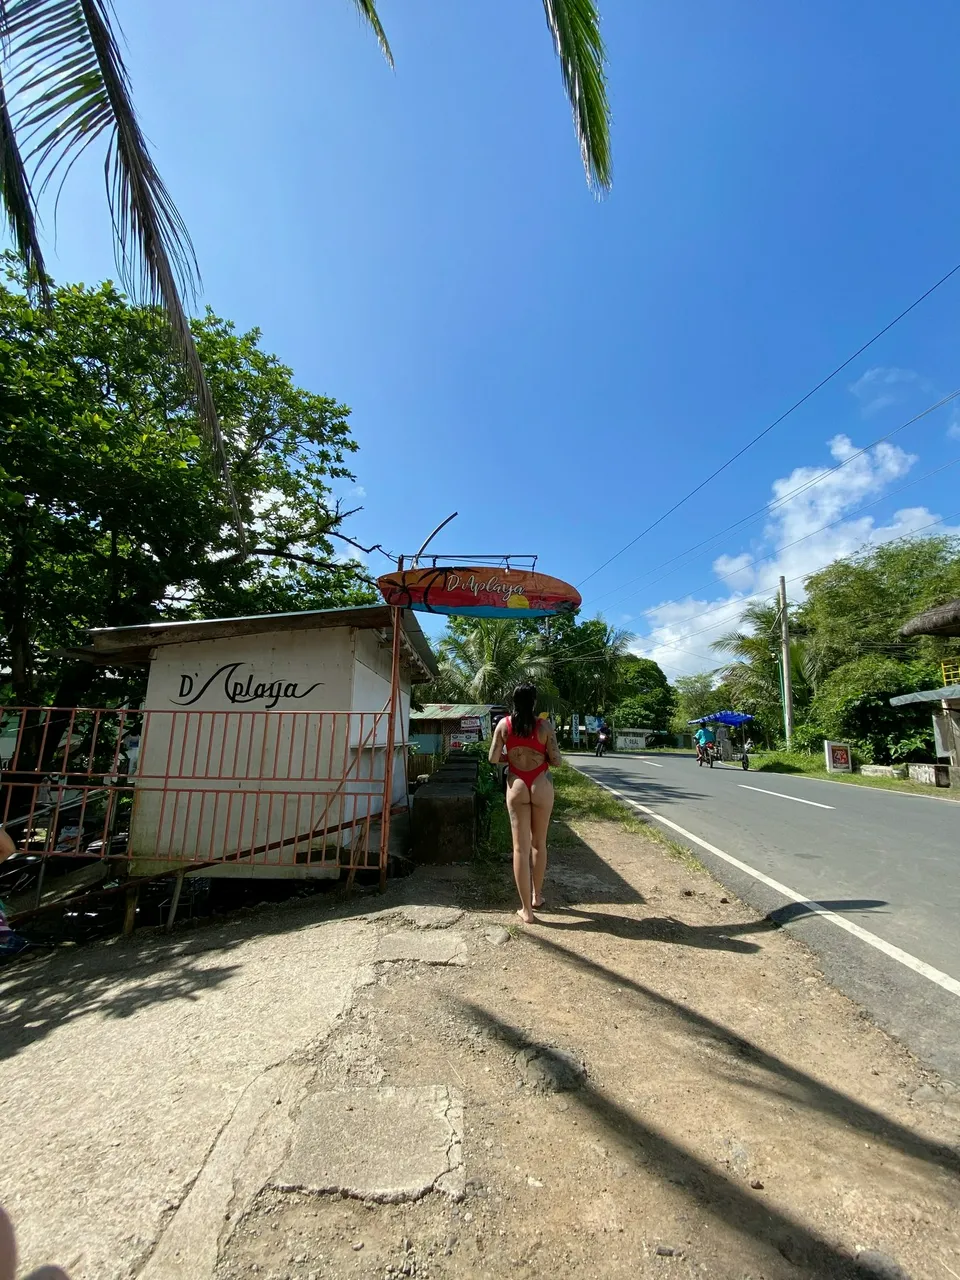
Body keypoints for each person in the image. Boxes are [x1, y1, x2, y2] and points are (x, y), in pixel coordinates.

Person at [488, 683, 561, 924]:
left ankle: (525, 911)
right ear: (534, 702)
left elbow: (493, 758)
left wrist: (513, 756)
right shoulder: (544, 726)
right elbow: (557, 761)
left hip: (516, 782)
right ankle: (537, 897)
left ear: (513, 702)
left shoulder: (504, 725)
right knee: (539, 844)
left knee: (520, 848)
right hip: (541, 782)